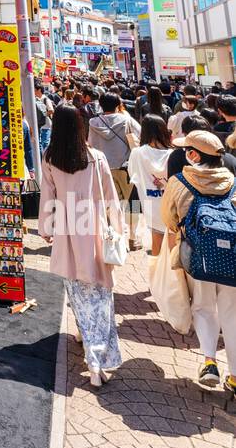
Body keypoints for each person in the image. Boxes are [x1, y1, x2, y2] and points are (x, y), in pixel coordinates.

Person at [39, 104, 125, 387]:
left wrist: (46, 228)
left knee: (77, 293)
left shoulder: (50, 158)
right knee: (100, 300)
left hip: (67, 232)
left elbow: (47, 198)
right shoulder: (95, 157)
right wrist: (119, 229)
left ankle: (89, 349)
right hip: (96, 232)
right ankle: (97, 361)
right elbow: (111, 199)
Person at [160, 130, 236, 392]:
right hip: (232, 257)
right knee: (231, 312)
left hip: (199, 256)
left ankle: (209, 362)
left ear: (193, 155)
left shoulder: (180, 181)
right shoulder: (233, 182)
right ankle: (235, 375)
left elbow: (168, 220)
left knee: (203, 307)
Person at [127, 114, 171, 255]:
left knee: (156, 244)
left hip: (150, 207)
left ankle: (158, 275)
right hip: (170, 207)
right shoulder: (174, 154)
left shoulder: (137, 153)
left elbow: (132, 174)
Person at [88, 91, 139, 203]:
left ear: (101, 105)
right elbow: (140, 135)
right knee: (132, 200)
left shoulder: (93, 123)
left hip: (103, 168)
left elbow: (90, 145)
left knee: (111, 203)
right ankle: (132, 220)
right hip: (125, 168)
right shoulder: (126, 120)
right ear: (117, 105)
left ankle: (114, 220)